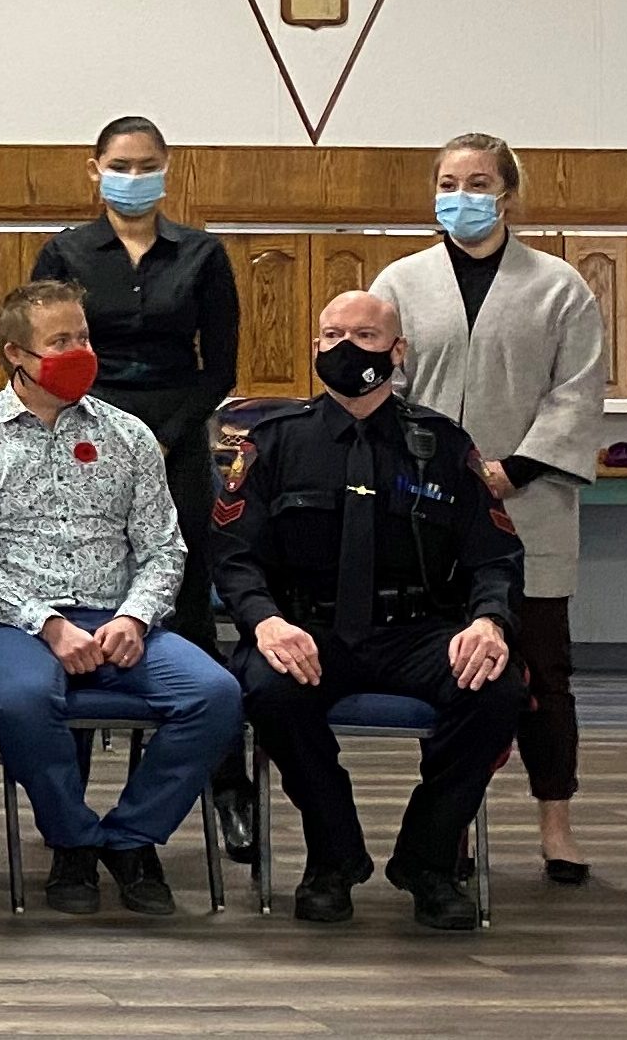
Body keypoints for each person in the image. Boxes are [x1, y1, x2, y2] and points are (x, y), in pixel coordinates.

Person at [214, 290, 525, 931]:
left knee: (498, 691)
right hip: (307, 628)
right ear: (315, 347)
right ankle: (333, 856)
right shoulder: (272, 443)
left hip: (416, 628)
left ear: (398, 351)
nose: (346, 348)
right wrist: (265, 621)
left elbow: (493, 556)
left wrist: (488, 621)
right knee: (268, 693)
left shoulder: (440, 445)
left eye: (365, 335)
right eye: (331, 335)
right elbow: (235, 557)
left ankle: (429, 859)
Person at [0, 279, 242, 917]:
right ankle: (71, 839)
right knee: (21, 699)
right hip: (15, 624)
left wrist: (134, 614)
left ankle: (131, 840)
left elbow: (164, 546)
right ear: (17, 353)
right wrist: (46, 625)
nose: (81, 350)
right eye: (61, 341)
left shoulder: (128, 435)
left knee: (216, 695)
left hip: (120, 617)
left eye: (84, 336)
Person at [367, 133, 606, 884]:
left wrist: (515, 468)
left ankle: (556, 822)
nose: (460, 194)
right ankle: (454, 823)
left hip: (531, 500)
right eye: (447, 181)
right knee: (458, 675)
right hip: (428, 508)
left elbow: (578, 390)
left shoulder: (560, 284)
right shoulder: (401, 283)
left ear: (507, 193)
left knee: (543, 670)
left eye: (477, 181)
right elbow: (382, 386)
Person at [30, 115, 251, 850]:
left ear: (167, 168)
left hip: (176, 435)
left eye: (147, 163)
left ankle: (228, 785)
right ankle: (75, 804)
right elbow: (45, 347)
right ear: (94, 169)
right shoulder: (65, 251)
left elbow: (217, 364)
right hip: (79, 426)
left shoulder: (202, 253)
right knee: (81, 585)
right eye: (121, 164)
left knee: (182, 600)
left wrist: (163, 433)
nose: (135, 175)